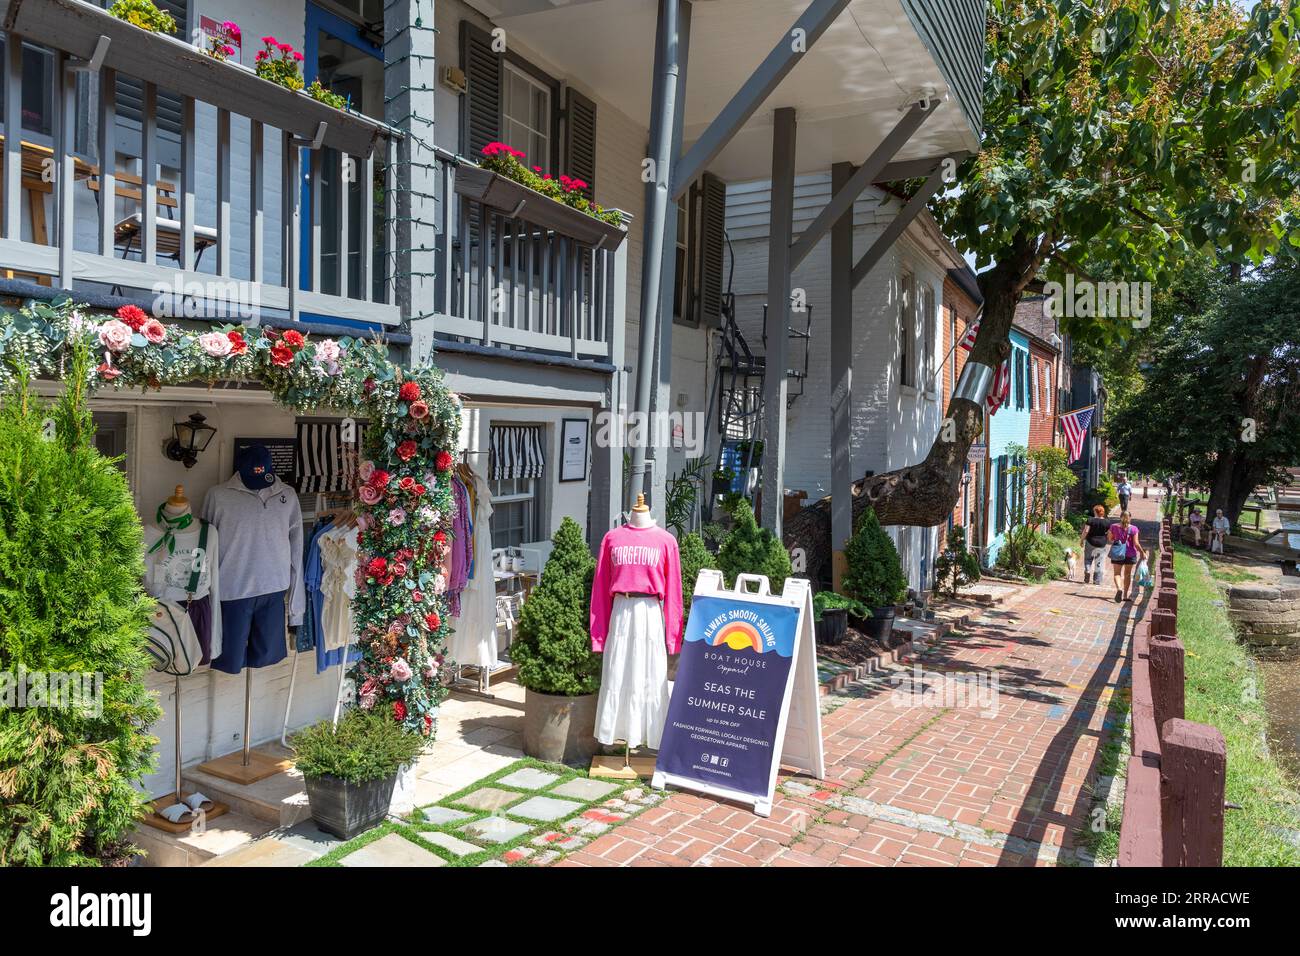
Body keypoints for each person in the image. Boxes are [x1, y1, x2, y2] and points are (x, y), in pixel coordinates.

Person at [1108, 510, 1146, 602]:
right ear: (1130, 518)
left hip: (1118, 553)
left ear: (1120, 517)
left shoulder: (1113, 527)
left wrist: (1116, 541)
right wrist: (1142, 552)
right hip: (1130, 554)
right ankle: (1125, 595)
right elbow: (1136, 543)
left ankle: (1119, 589)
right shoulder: (1134, 529)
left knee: (1117, 573)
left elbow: (1110, 539)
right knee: (1127, 574)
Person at [1080, 504, 1111, 586]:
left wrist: (1082, 540)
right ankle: (1097, 580)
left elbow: (1086, 531)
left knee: (1088, 559)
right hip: (1101, 544)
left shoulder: (1090, 520)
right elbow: (1109, 534)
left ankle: (1087, 570)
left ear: (1095, 512)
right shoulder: (1107, 522)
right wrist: (1110, 540)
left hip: (1090, 542)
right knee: (1099, 561)